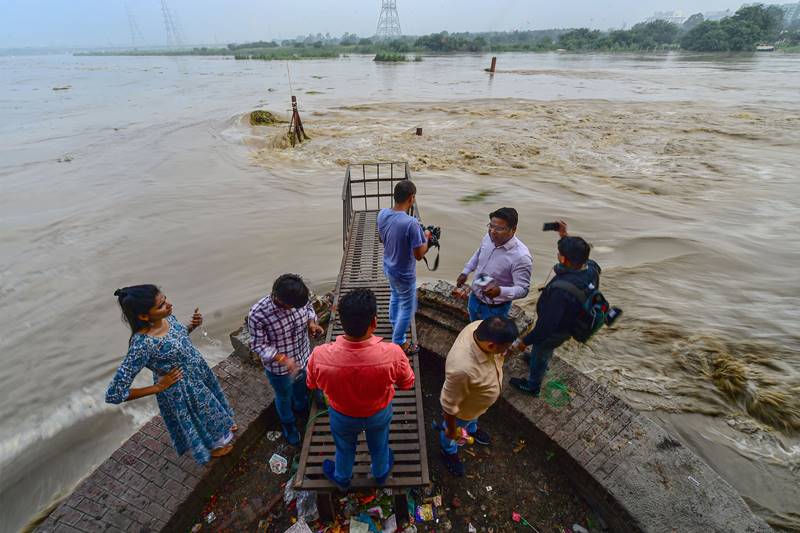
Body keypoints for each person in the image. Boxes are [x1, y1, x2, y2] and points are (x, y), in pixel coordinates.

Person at [106, 285, 236, 464]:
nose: (169, 304)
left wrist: (193, 325)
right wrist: (158, 387)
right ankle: (216, 446)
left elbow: (177, 338)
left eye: (165, 299)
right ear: (143, 316)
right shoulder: (141, 345)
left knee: (213, 405)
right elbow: (114, 394)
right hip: (183, 388)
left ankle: (224, 428)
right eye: (161, 305)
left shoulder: (168, 318)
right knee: (204, 417)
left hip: (198, 372)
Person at [306, 289, 415, 490]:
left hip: (341, 415)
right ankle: (381, 473)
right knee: (380, 444)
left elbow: (312, 384)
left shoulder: (319, 355)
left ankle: (342, 477)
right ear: (374, 322)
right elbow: (407, 383)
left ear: (341, 322)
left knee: (344, 447)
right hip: (378, 414)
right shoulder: (394, 353)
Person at [509, 221, 601, 396]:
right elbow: (579, 257)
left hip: (555, 330)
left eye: (560, 253)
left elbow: (545, 328)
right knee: (544, 350)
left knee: (542, 348)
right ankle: (538, 358)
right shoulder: (592, 268)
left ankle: (532, 386)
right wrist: (564, 236)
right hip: (571, 323)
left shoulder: (560, 292)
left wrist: (523, 342)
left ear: (564, 259)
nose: (558, 255)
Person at [247, 274, 324, 445]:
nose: (296, 309)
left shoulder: (299, 297)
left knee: (301, 389)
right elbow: (258, 345)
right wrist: (282, 358)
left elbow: (309, 308)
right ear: (280, 300)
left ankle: (302, 410)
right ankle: (288, 425)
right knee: (283, 397)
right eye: (293, 307)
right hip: (280, 370)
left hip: (303, 356)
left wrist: (312, 323)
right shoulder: (258, 314)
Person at [439, 316, 519, 476]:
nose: (507, 350)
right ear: (491, 346)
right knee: (452, 431)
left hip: (475, 404)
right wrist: (451, 429)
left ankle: (472, 428)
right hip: (463, 411)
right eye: (505, 348)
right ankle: (448, 450)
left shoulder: (478, 327)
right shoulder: (462, 369)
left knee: (472, 417)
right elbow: (448, 404)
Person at [377, 180, 431, 353]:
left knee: (395, 295)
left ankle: (394, 322)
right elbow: (419, 255)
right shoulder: (411, 223)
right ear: (411, 198)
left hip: (388, 267)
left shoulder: (383, 214)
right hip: (404, 273)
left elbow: (382, 239)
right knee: (409, 307)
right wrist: (427, 238)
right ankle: (399, 342)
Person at [456, 207, 532, 322]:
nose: (493, 231)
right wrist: (466, 271)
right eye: (491, 226)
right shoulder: (488, 238)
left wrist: (500, 291)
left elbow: (523, 289)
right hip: (474, 298)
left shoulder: (521, 257)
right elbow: (478, 253)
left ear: (513, 229)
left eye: (499, 228)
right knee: (473, 324)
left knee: (488, 332)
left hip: (496, 308)